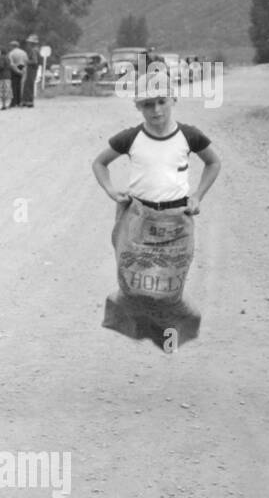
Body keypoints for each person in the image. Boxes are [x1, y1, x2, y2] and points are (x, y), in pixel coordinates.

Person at [91, 72, 222, 347]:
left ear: (172, 99)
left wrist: (197, 196)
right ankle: (136, 328)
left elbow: (213, 163)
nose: (156, 110)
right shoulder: (131, 138)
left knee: (168, 288)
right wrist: (111, 190)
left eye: (162, 101)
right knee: (134, 285)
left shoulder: (189, 136)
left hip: (176, 221)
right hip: (138, 219)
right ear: (138, 106)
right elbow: (100, 163)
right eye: (148, 104)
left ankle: (171, 333)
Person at [6, 40, 27, 108]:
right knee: (20, 86)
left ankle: (13, 102)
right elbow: (26, 61)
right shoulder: (23, 52)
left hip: (15, 69)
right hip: (22, 67)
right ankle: (20, 101)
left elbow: (11, 64)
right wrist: (23, 71)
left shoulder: (11, 53)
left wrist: (17, 71)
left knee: (14, 86)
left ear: (12, 46)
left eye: (10, 46)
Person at [22, 34, 41, 108]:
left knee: (29, 84)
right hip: (33, 69)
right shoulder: (36, 49)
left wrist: (26, 61)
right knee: (29, 84)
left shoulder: (33, 50)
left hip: (32, 69)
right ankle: (27, 101)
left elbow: (34, 61)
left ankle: (29, 101)